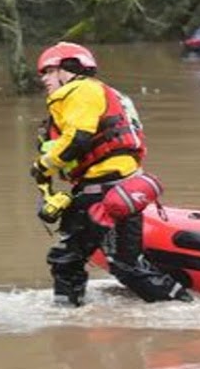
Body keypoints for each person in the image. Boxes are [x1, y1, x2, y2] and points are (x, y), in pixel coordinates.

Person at [31, 41, 191, 306]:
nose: (44, 79)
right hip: (125, 189)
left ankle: (65, 323)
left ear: (67, 69)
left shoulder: (79, 90)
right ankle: (182, 306)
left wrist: (44, 165)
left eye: (48, 71)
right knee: (127, 266)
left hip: (100, 193)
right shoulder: (109, 94)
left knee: (66, 260)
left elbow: (78, 139)